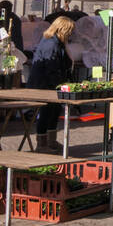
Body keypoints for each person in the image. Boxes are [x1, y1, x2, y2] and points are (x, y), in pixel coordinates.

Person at [28, 17, 75, 153]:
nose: (71, 34)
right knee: (47, 111)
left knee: (54, 110)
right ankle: (42, 144)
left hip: (50, 82)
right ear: (63, 30)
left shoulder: (56, 42)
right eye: (69, 31)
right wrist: (59, 86)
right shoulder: (51, 44)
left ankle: (51, 141)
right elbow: (51, 68)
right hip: (45, 83)